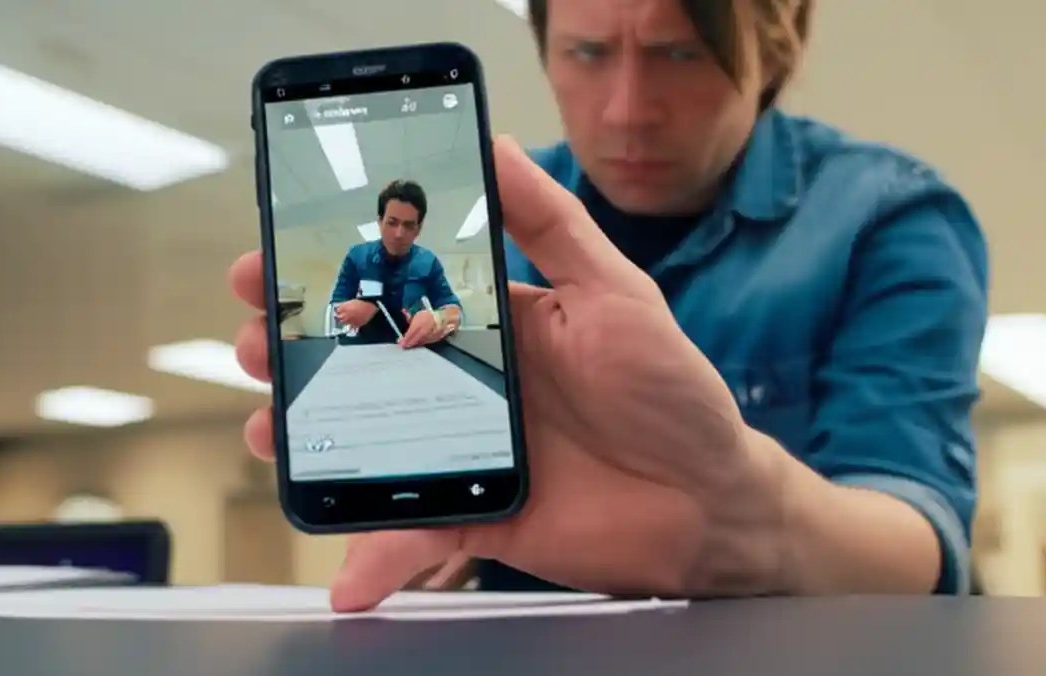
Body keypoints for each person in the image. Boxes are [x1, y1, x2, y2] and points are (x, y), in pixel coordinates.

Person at [229, 0, 987, 611]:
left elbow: (920, 542)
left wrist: (748, 518)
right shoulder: (489, 222)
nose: (628, 110)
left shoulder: (889, 218)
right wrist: (440, 546)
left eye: (680, 52)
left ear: (777, 35)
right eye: (588, 53)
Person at [329, 180, 462, 349]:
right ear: (379, 222)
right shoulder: (357, 257)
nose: (399, 234)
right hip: (364, 354)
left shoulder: (428, 262)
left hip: (413, 353)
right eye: (392, 223)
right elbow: (333, 313)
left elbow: (455, 312)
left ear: (418, 229)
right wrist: (349, 312)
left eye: (408, 225)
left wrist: (437, 319)